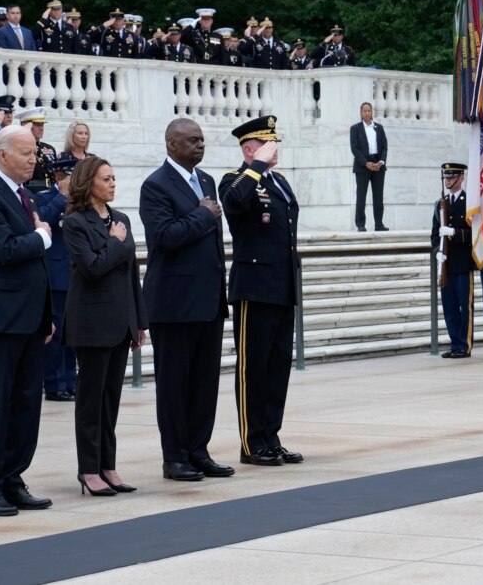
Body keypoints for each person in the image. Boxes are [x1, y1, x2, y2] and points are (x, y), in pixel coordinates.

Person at [0, 124, 55, 516]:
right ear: (2, 155)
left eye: (35, 152)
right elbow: (5, 249)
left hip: (30, 318)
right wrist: (42, 238)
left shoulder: (25, 196)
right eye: (27, 153)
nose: (34, 159)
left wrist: (46, 315)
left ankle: (14, 478)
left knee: (27, 403)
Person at [139, 118, 233, 482]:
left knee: (204, 382)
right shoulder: (156, 185)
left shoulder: (206, 180)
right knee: (175, 383)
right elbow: (165, 237)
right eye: (192, 140)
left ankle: (198, 449)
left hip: (208, 300)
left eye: (202, 140)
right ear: (171, 144)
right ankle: (174, 455)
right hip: (175, 303)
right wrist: (202, 214)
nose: (199, 145)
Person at [219, 115, 305, 466]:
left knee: (277, 366)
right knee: (253, 368)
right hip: (254, 288)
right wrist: (254, 165)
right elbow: (235, 203)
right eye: (269, 144)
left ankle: (271, 435)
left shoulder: (279, 181)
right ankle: (252, 443)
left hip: (282, 286)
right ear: (250, 148)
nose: (276, 148)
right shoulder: (235, 180)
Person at [62, 157, 146, 496]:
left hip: (120, 321)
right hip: (92, 322)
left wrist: (139, 320)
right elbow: (93, 268)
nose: (112, 183)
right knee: (90, 399)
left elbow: (131, 273)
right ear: (88, 183)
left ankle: (108, 465)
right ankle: (88, 469)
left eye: (114, 178)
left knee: (111, 398)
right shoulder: (75, 223)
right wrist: (113, 241)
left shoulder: (121, 219)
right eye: (106, 179)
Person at [37, 158, 77, 402]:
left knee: (72, 334)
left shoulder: (82, 200)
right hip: (56, 275)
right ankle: (54, 384)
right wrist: (61, 197)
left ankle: (70, 382)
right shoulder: (43, 196)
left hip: (77, 274)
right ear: (59, 175)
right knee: (56, 333)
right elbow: (41, 221)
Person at [431, 162, 474, 359]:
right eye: (446, 178)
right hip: (446, 263)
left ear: (461, 178)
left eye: (451, 177)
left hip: (463, 261)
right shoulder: (441, 203)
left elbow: (475, 232)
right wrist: (437, 251)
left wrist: (455, 233)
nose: (448, 181)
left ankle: (464, 344)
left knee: (464, 305)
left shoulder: (470, 203)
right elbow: (434, 234)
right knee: (449, 305)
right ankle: (454, 343)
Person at [350, 102, 388, 232]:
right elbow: (354, 148)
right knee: (361, 196)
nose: (367, 113)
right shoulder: (355, 128)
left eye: (369, 111)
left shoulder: (379, 128)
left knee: (378, 196)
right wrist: (366, 163)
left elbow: (384, 147)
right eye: (364, 111)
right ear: (360, 113)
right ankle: (360, 224)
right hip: (362, 166)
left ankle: (379, 224)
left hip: (378, 165)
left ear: (372, 112)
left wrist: (381, 162)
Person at [15, 107, 57, 193]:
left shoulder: (49, 148)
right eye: (37, 125)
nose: (41, 128)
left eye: (42, 124)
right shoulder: (18, 147)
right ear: (25, 126)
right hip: (30, 191)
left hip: (51, 191)